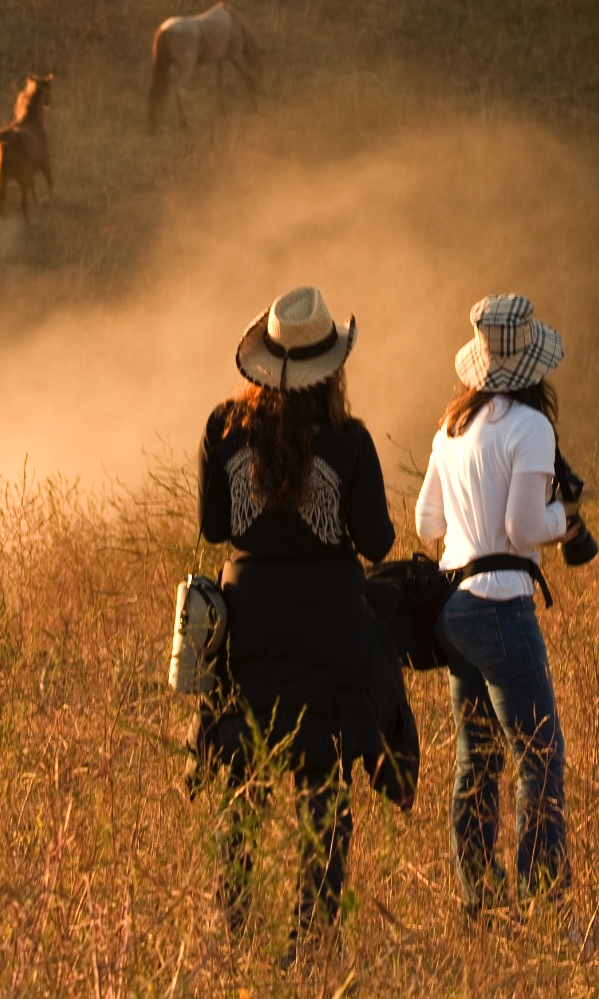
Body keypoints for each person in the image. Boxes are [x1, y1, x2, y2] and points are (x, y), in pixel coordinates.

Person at [195, 286, 418, 955]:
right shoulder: (348, 440)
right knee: (323, 780)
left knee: (244, 770)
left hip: (247, 615)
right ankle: (312, 938)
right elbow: (377, 541)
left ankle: (234, 925)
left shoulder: (222, 427)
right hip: (329, 621)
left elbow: (213, 526)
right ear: (332, 367)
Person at [416, 293, 588, 913]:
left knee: (477, 758)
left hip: (455, 609)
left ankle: (478, 898)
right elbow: (522, 528)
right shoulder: (533, 427)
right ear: (533, 364)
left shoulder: (450, 428)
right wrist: (562, 520)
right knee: (540, 756)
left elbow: (424, 521)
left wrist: (472, 523)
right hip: (502, 606)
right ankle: (542, 899)